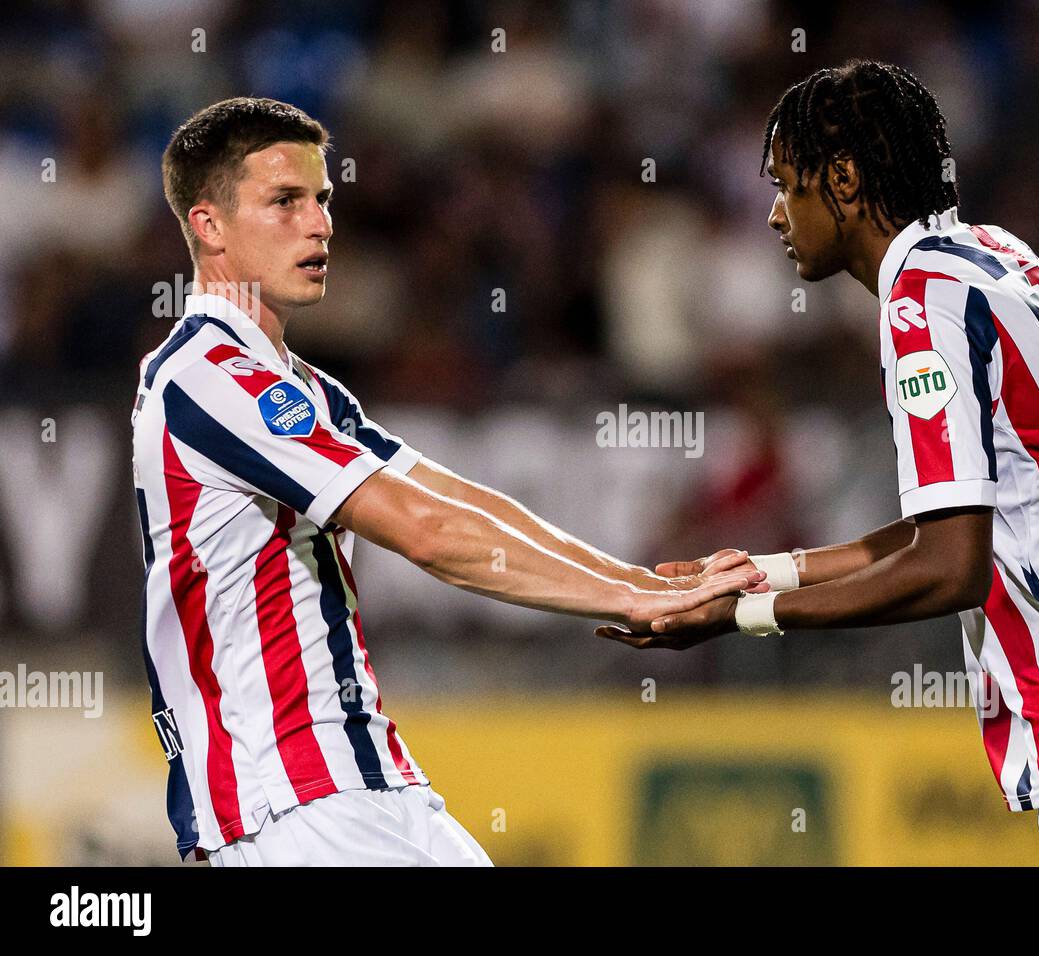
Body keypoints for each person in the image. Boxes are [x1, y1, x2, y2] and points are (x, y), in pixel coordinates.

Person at [603, 60, 1039, 867]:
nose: (775, 214)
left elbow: (951, 569)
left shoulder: (921, 303)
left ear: (841, 180)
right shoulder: (994, 255)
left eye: (785, 184)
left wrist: (739, 619)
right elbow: (955, 528)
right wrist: (764, 573)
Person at [133, 97, 763, 866]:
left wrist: (636, 582)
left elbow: (457, 500)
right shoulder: (206, 374)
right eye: (285, 202)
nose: (320, 224)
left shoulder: (305, 388)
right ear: (209, 225)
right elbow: (425, 533)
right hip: (292, 805)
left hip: (363, 786)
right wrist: (631, 599)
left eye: (323, 199)